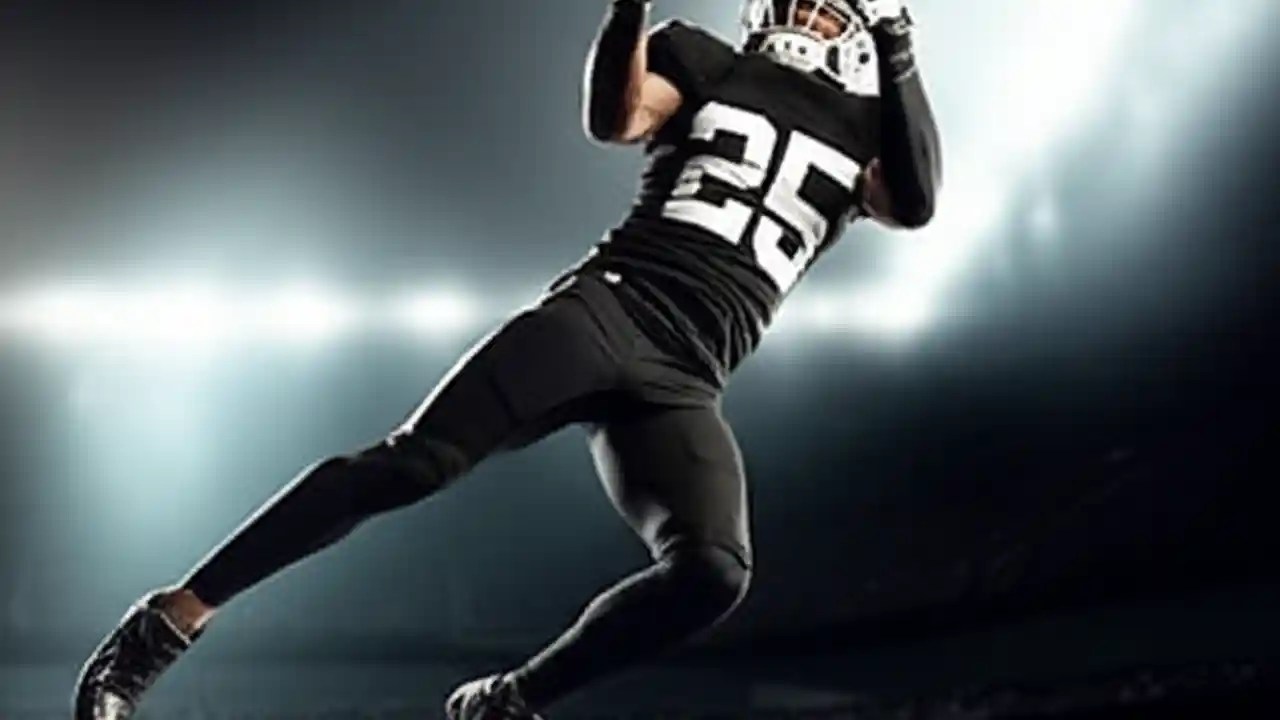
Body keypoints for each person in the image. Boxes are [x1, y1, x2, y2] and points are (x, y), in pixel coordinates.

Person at [72, 0, 940, 718]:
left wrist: (899, 48)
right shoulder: (704, 56)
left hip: (687, 380)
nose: (817, 9)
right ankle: (166, 623)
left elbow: (918, 204)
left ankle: (510, 702)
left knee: (714, 571)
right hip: (608, 306)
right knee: (413, 464)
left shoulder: (870, 129)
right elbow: (617, 117)